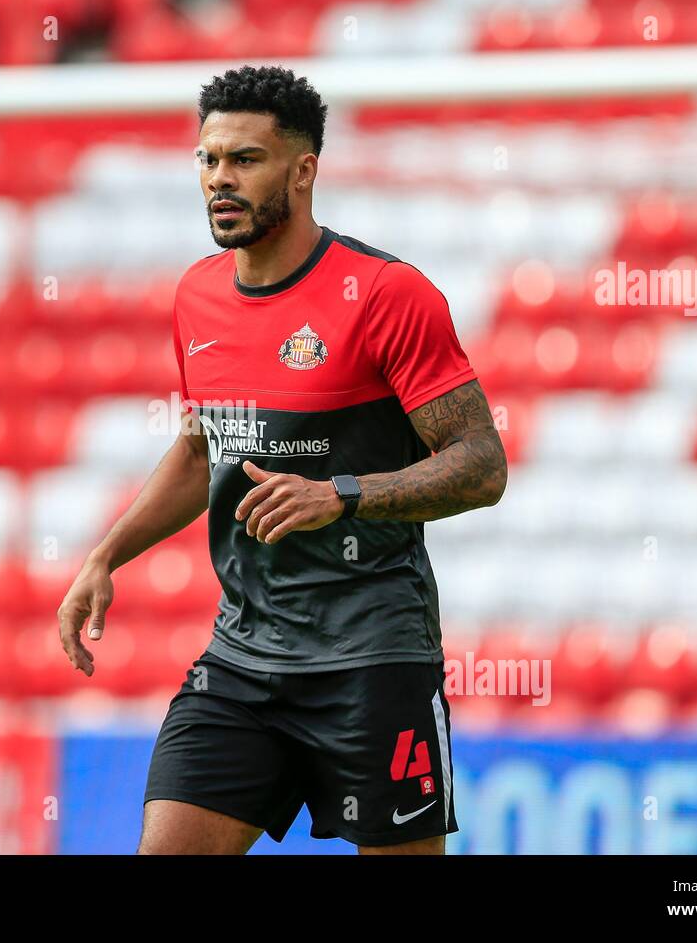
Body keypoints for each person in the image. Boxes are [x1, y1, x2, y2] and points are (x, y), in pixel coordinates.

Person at [57, 65, 507, 854]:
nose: (219, 180)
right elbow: (204, 449)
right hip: (242, 659)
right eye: (207, 159)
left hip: (372, 658)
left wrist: (344, 493)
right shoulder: (196, 297)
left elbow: (480, 464)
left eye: (245, 160)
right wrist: (106, 555)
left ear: (304, 170)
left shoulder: (385, 296)